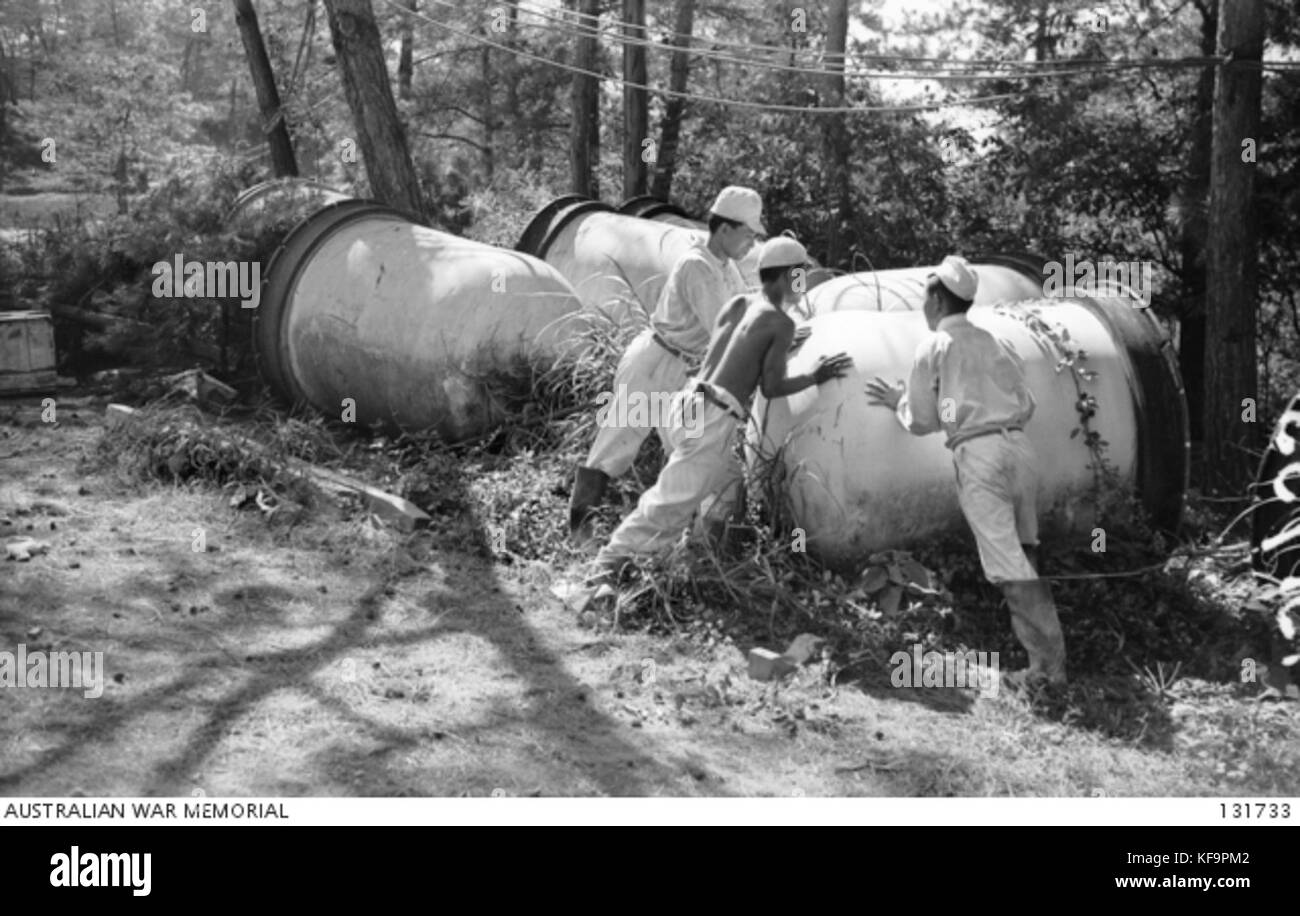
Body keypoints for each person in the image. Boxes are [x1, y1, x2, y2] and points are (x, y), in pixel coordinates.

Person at [588, 237, 853, 581]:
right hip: (714, 415)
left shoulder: (738, 304)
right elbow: (771, 387)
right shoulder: (781, 324)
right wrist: (815, 376)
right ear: (790, 276)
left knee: (727, 485)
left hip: (685, 402)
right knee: (673, 499)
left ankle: (699, 560)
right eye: (801, 277)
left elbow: (734, 351)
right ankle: (609, 562)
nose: (803, 286)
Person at [864, 255, 1067, 690]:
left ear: (937, 300)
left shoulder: (935, 346)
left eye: (925, 296)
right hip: (1018, 448)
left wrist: (899, 401)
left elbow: (923, 419)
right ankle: (1047, 662)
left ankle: (1047, 671)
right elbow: (1025, 402)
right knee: (1026, 553)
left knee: (1008, 566)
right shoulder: (995, 342)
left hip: (980, 454)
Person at [568, 186, 761, 541]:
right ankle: (580, 534)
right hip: (656, 365)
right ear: (725, 229)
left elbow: (744, 303)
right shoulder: (698, 266)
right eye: (748, 234)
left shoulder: (725, 266)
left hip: (685, 370)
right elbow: (723, 324)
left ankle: (702, 546)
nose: (751, 243)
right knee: (616, 447)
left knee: (697, 453)